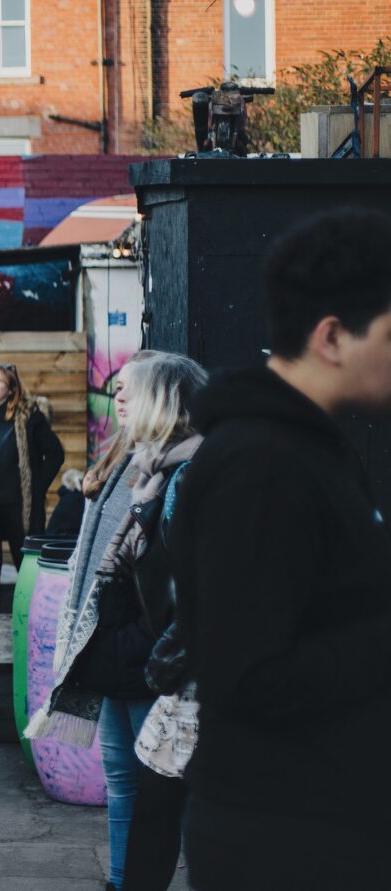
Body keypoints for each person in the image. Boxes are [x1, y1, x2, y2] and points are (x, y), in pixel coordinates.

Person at [170, 211, 391, 890]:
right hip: (288, 840)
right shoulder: (262, 467)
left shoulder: (308, 449)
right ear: (331, 336)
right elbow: (248, 674)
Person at [25, 351, 205, 891]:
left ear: (166, 400)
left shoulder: (186, 475)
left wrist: (140, 648)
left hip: (155, 665)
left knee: (167, 795)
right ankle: (124, 882)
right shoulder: (141, 463)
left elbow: (189, 586)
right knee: (126, 784)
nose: (119, 395)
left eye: (131, 387)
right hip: (119, 656)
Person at [0, 362, 63, 614]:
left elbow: (56, 454)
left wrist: (36, 487)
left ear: (11, 388)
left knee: (25, 566)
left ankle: (31, 620)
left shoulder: (30, 417)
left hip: (19, 506)